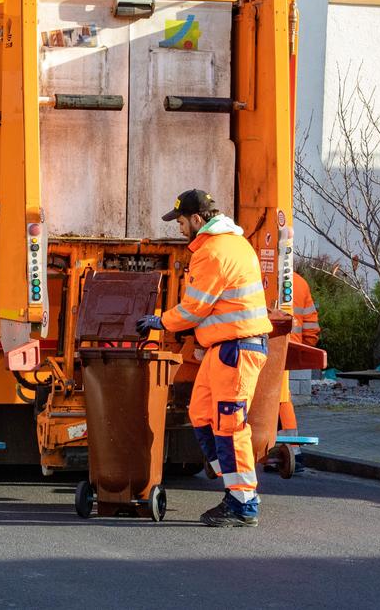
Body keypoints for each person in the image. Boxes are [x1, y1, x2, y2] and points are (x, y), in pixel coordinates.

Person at [137, 189, 273, 527]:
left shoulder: (213, 251)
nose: (180, 229)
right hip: (226, 347)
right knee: (200, 411)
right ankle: (223, 469)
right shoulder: (232, 243)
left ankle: (242, 503)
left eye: (182, 222)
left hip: (236, 348)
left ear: (198, 219)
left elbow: (195, 307)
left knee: (230, 426)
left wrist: (161, 321)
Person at [267, 271, 320, 472]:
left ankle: (282, 451)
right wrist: (303, 350)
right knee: (280, 399)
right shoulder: (299, 282)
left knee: (275, 400)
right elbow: (311, 325)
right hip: (286, 352)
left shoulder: (255, 276)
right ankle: (290, 451)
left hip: (258, 347)